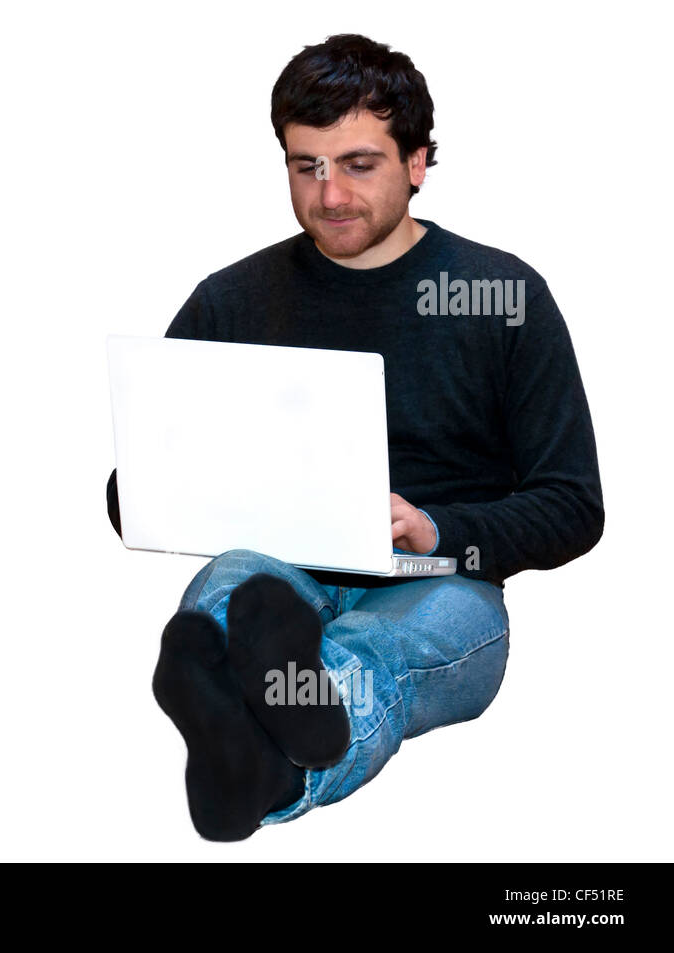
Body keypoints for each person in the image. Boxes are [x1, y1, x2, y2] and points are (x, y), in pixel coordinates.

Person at [105, 34, 604, 841]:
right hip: (283, 570)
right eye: (307, 167)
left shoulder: (502, 296)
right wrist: (165, 488)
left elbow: (574, 506)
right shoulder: (230, 302)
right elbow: (133, 494)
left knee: (375, 643)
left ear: (417, 162)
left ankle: (253, 740)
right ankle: (262, 747)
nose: (330, 193)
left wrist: (437, 527)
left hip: (438, 581)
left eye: (359, 164)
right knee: (235, 580)